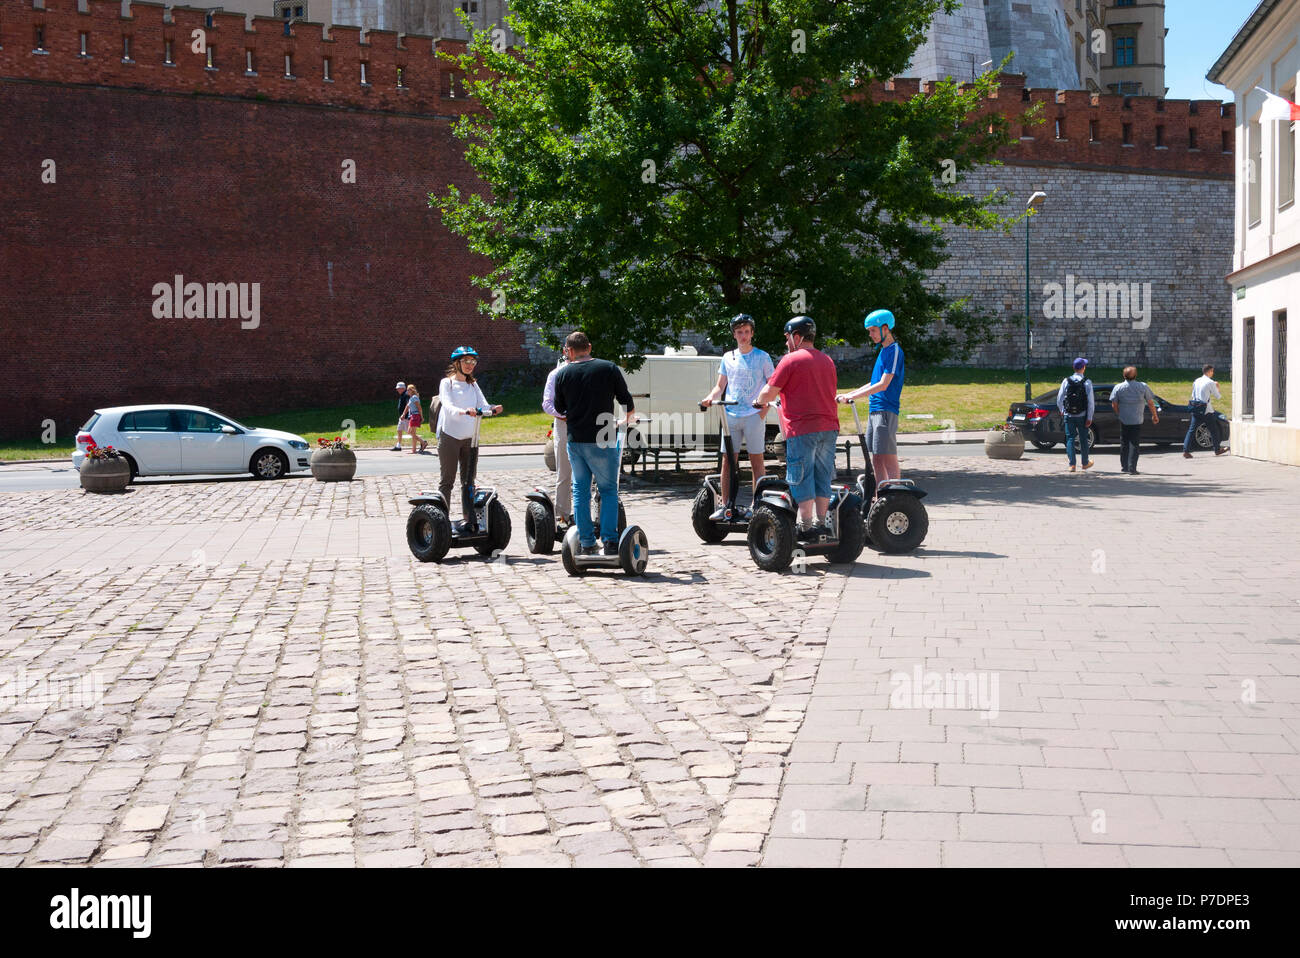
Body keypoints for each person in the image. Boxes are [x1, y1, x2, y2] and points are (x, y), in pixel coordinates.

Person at [753, 316, 839, 542]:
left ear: (797, 337)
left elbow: (769, 393)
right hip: (829, 427)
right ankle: (822, 524)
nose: (786, 343)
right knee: (822, 476)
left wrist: (759, 401)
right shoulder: (827, 360)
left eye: (787, 338)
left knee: (801, 475)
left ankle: (806, 526)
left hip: (802, 429)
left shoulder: (790, 360)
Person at [553, 331, 635, 556]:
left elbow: (559, 408)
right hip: (603, 438)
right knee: (608, 490)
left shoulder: (563, 373)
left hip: (576, 440)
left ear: (569, 351)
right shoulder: (608, 368)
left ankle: (587, 541)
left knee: (580, 491)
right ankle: (609, 541)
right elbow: (627, 400)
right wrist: (626, 419)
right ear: (589, 347)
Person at [700, 313, 775, 514]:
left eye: (747, 332)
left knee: (756, 460)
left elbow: (772, 385)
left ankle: (757, 505)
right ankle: (726, 505)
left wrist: (763, 410)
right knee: (728, 460)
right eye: (739, 332)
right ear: (734, 334)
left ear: (752, 333)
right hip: (731, 414)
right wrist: (709, 397)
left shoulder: (762, 356)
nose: (743, 336)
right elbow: (720, 386)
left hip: (753, 414)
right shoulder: (728, 357)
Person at [436, 347, 503, 531]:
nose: (470, 365)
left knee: (469, 481)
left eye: (473, 362)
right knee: (447, 481)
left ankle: (469, 519)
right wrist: (464, 411)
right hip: (449, 436)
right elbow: (448, 406)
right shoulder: (446, 383)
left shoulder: (473, 384)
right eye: (466, 361)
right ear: (457, 363)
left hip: (470, 438)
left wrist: (493, 408)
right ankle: (441, 521)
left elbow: (483, 404)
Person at [836, 308, 904, 486]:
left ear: (886, 328)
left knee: (888, 456)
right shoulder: (883, 352)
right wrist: (849, 394)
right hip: (875, 410)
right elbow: (873, 382)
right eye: (870, 331)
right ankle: (881, 495)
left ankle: (896, 493)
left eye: (873, 330)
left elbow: (883, 384)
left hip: (885, 410)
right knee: (876, 459)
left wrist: (853, 397)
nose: (871, 334)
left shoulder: (894, 351)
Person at [541, 343, 573, 529]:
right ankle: (562, 516)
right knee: (564, 472)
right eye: (568, 349)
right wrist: (563, 415)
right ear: (564, 351)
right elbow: (547, 403)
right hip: (563, 424)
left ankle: (582, 513)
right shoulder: (555, 374)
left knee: (586, 474)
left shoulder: (586, 370)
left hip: (585, 424)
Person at [1109, 366, 1159, 474]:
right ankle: (1132, 468)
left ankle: (1124, 467)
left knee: (1124, 443)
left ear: (1124, 375)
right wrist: (1155, 415)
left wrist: (1119, 413)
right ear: (1136, 375)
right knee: (1134, 444)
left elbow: (1114, 404)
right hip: (1137, 419)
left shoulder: (1118, 387)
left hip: (1124, 419)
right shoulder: (1142, 386)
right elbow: (1150, 402)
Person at [1056, 358, 1095, 473]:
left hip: (1069, 415)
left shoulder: (1066, 381)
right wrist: (1089, 417)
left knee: (1070, 438)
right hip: (1082, 415)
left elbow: (1059, 398)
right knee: (1083, 439)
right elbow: (1091, 402)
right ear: (1083, 368)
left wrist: (1062, 410)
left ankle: (1072, 465)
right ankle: (1085, 463)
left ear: (1073, 368)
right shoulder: (1087, 382)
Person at [1183, 363, 1228, 458]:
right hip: (1206, 410)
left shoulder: (1196, 380)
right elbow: (1218, 396)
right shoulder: (1210, 382)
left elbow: (1193, 394)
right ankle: (1217, 449)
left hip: (1195, 407)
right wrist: (1217, 387)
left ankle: (1186, 451)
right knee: (1214, 430)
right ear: (1209, 371)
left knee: (1191, 430)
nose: (1213, 373)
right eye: (1212, 371)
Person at [403, 385, 429, 454]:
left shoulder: (414, 397)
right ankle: (423, 443)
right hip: (412, 416)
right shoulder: (411, 398)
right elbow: (407, 407)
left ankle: (416, 448)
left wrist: (421, 417)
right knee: (410, 432)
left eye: (408, 390)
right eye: (407, 390)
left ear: (412, 390)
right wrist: (403, 415)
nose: (407, 391)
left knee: (413, 433)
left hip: (415, 415)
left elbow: (419, 408)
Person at [393, 381, 409, 451]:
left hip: (405, 417)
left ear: (402, 388)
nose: (397, 390)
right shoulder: (402, 394)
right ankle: (398, 446)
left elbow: (408, 405)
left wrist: (404, 414)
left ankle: (423, 442)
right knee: (399, 430)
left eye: (398, 388)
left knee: (410, 432)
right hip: (402, 417)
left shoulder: (406, 395)